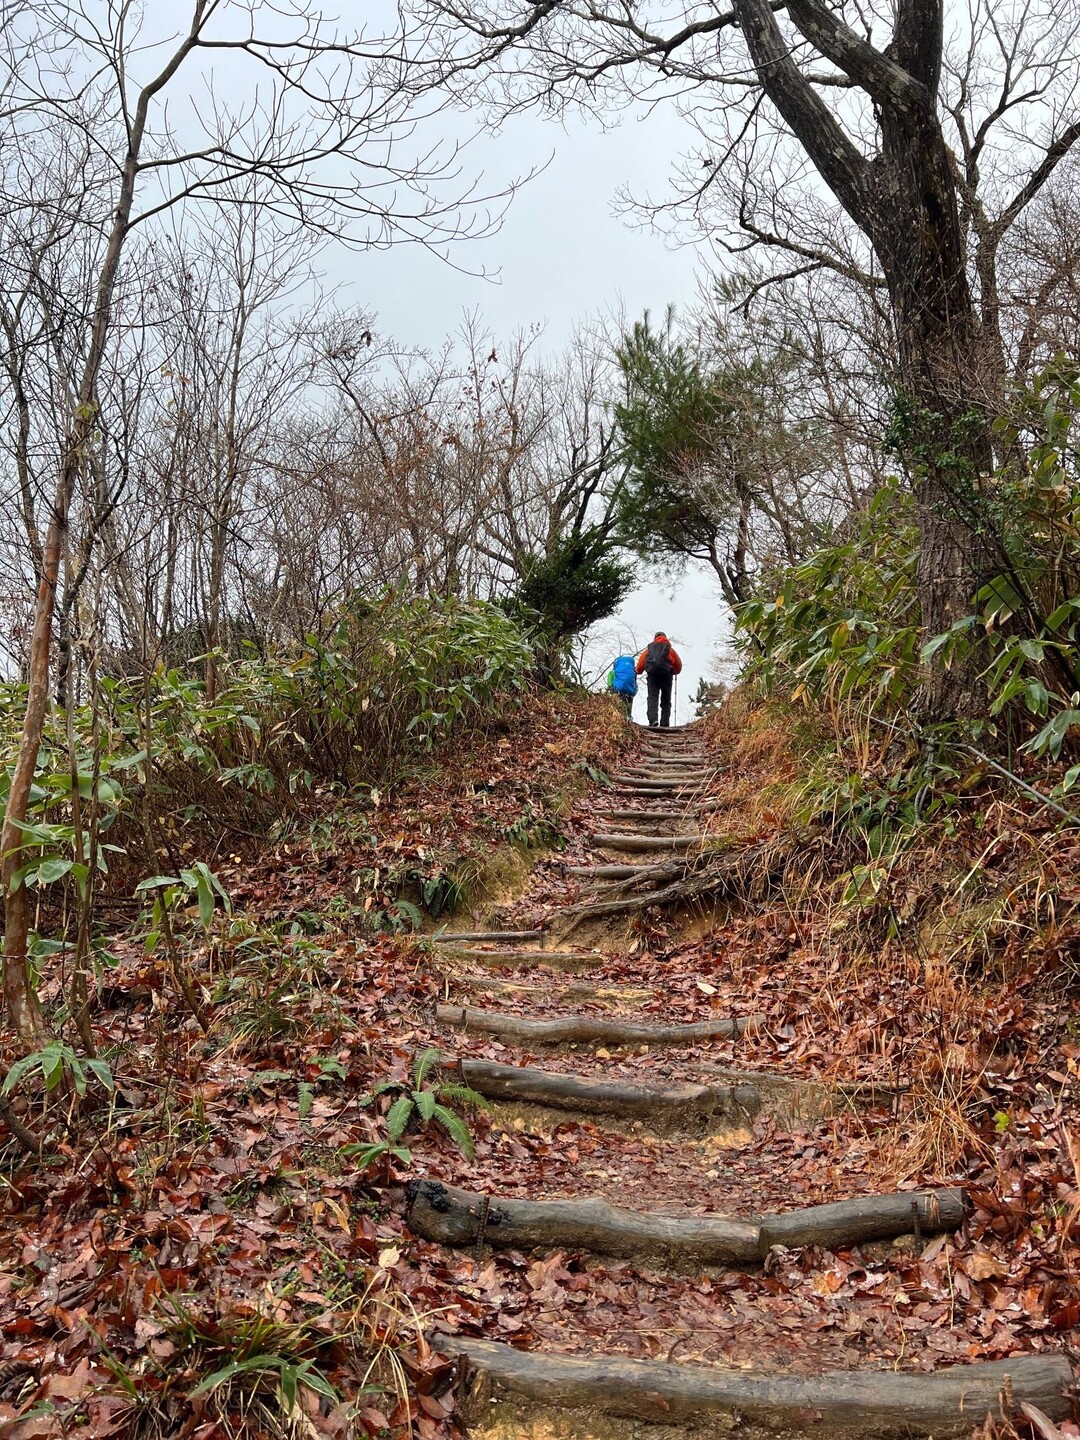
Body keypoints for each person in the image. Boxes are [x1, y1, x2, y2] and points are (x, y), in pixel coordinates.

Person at [635, 631, 682, 728]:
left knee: (653, 697)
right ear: (665, 637)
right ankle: (664, 723)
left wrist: (637, 670)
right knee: (666, 700)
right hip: (666, 676)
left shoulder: (649, 650)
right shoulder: (670, 650)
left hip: (652, 676)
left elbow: (640, 666)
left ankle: (653, 720)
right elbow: (679, 666)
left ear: (655, 638)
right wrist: (673, 671)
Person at [606, 654, 638, 719]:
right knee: (628, 709)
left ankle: (618, 720)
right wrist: (633, 692)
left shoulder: (613, 672)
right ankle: (628, 719)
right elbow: (635, 685)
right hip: (629, 693)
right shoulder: (633, 672)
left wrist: (612, 690)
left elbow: (609, 683)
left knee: (618, 708)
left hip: (617, 692)